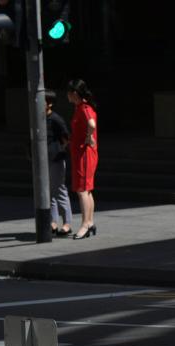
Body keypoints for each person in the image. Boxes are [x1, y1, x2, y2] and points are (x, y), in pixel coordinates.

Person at [66, 79, 98, 240]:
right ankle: (90, 222)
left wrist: (88, 137)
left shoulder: (84, 108)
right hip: (82, 154)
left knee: (82, 190)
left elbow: (91, 124)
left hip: (84, 155)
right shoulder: (81, 107)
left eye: (69, 92)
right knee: (87, 189)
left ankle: (85, 224)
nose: (67, 95)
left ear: (74, 94)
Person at [45, 90, 73, 236]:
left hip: (56, 158)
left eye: (42, 101)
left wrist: (59, 149)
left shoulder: (56, 119)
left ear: (49, 103)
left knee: (59, 189)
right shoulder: (40, 119)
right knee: (49, 191)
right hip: (45, 159)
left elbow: (66, 137)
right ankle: (53, 222)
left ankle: (67, 223)